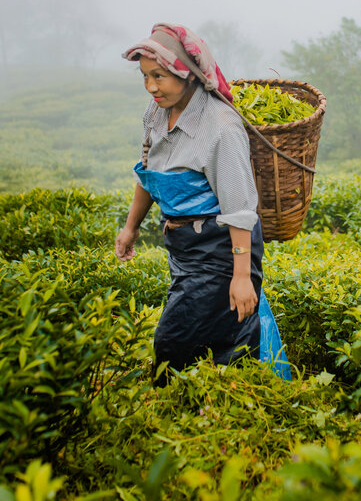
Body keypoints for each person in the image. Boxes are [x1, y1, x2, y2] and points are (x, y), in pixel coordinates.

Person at [114, 23, 288, 383]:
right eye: (145, 76)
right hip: (184, 246)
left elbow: (240, 210)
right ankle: (210, 406)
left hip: (221, 249)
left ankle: (184, 408)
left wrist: (241, 278)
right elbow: (149, 171)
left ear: (186, 73)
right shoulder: (157, 111)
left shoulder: (221, 127)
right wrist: (130, 228)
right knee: (216, 338)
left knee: (173, 344)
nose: (151, 86)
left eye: (159, 76)